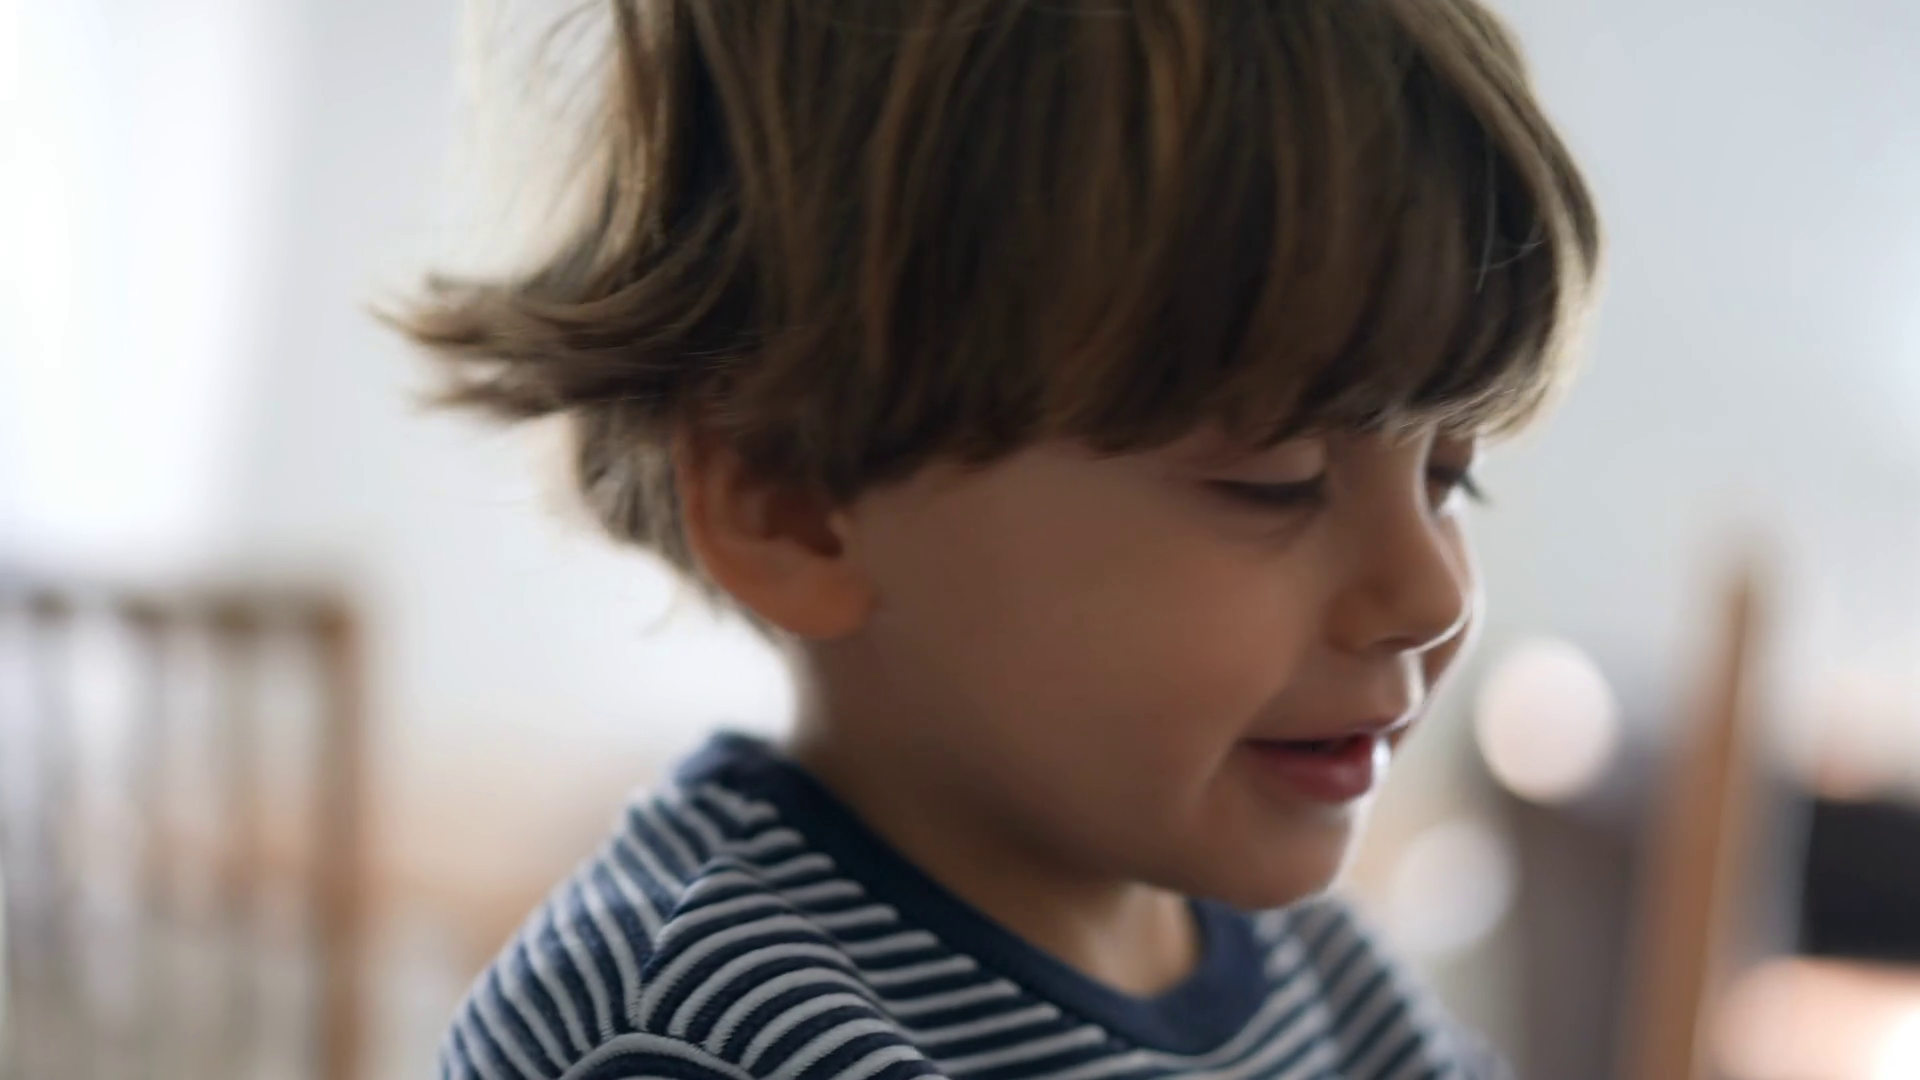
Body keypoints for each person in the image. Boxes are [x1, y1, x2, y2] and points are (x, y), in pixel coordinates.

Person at [395, 1, 1600, 1077]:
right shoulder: (696, 1030)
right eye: (1272, 482)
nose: (1430, 590)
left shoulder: (1320, 981)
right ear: (795, 501)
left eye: (1452, 479)